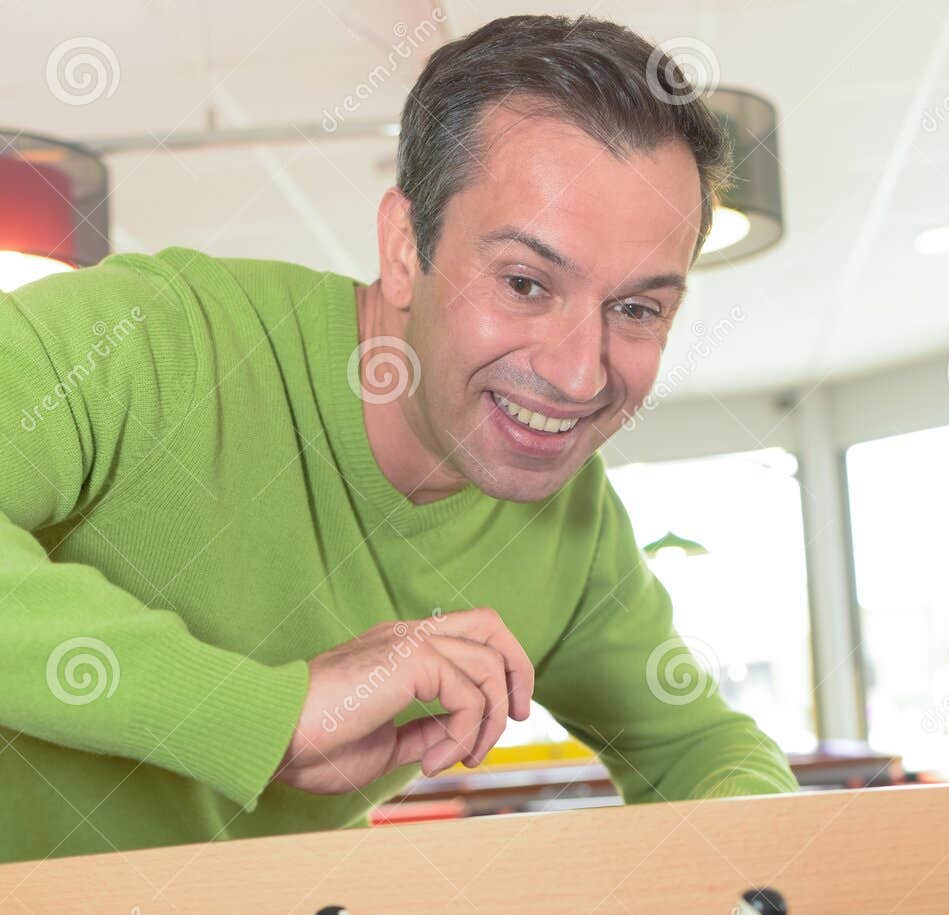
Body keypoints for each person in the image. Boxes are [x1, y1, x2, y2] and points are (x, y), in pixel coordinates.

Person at [0, 13, 797, 866]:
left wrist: (779, 877)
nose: (577, 376)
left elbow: (696, 751)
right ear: (405, 249)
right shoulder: (150, 335)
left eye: (637, 309)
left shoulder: (573, 524)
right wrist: (273, 713)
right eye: (526, 283)